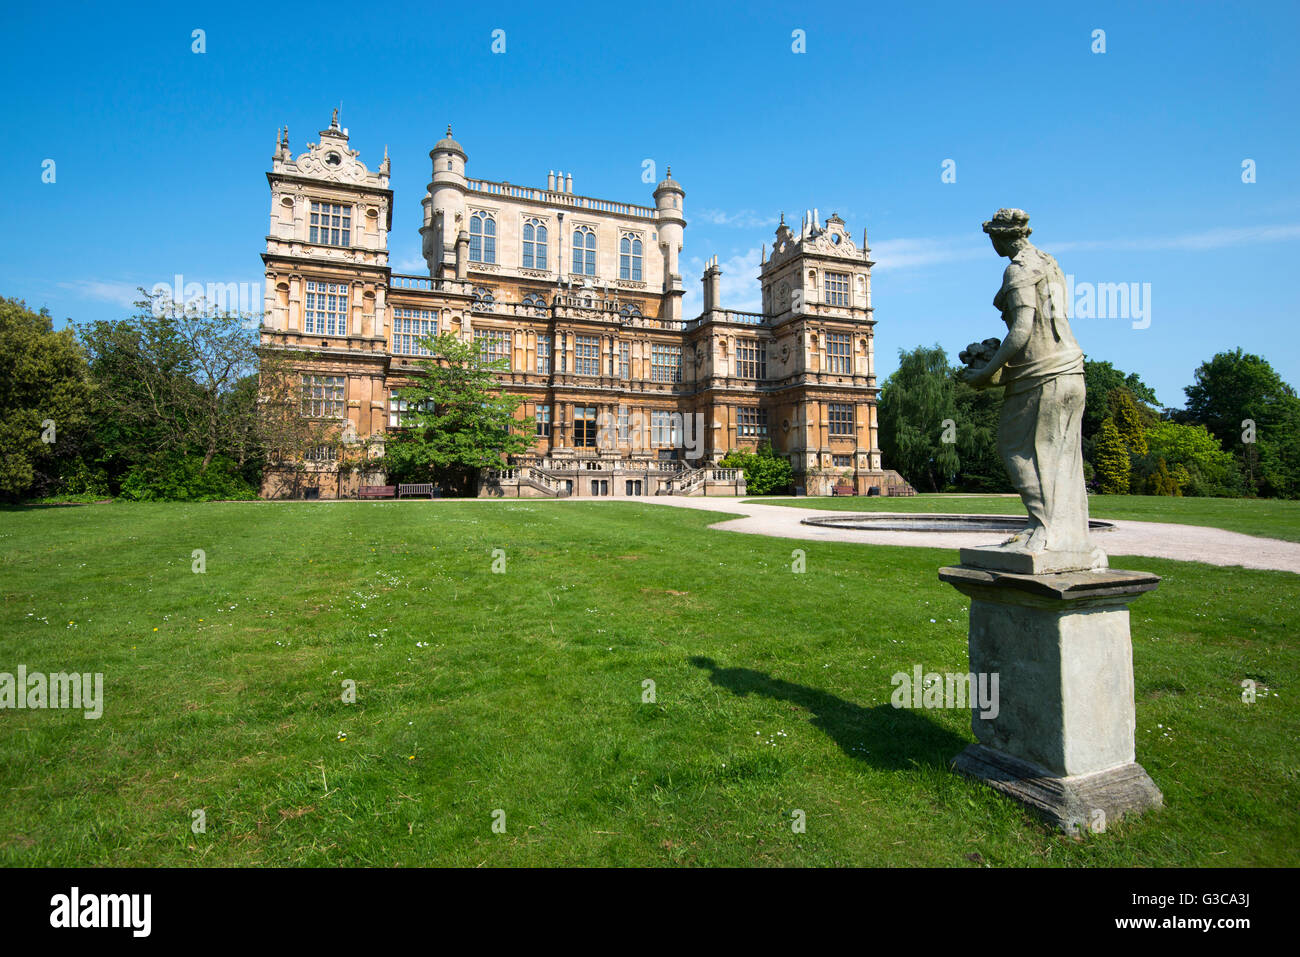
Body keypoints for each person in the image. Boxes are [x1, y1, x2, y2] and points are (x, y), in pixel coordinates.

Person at [959, 209, 1097, 559]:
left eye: (992, 238)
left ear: (1000, 237)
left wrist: (985, 370)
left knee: (1017, 449)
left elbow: (1021, 332)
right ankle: (1072, 538)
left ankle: (1044, 530)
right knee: (1063, 457)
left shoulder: (1019, 268)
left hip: (1041, 373)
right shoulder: (1049, 262)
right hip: (1070, 369)